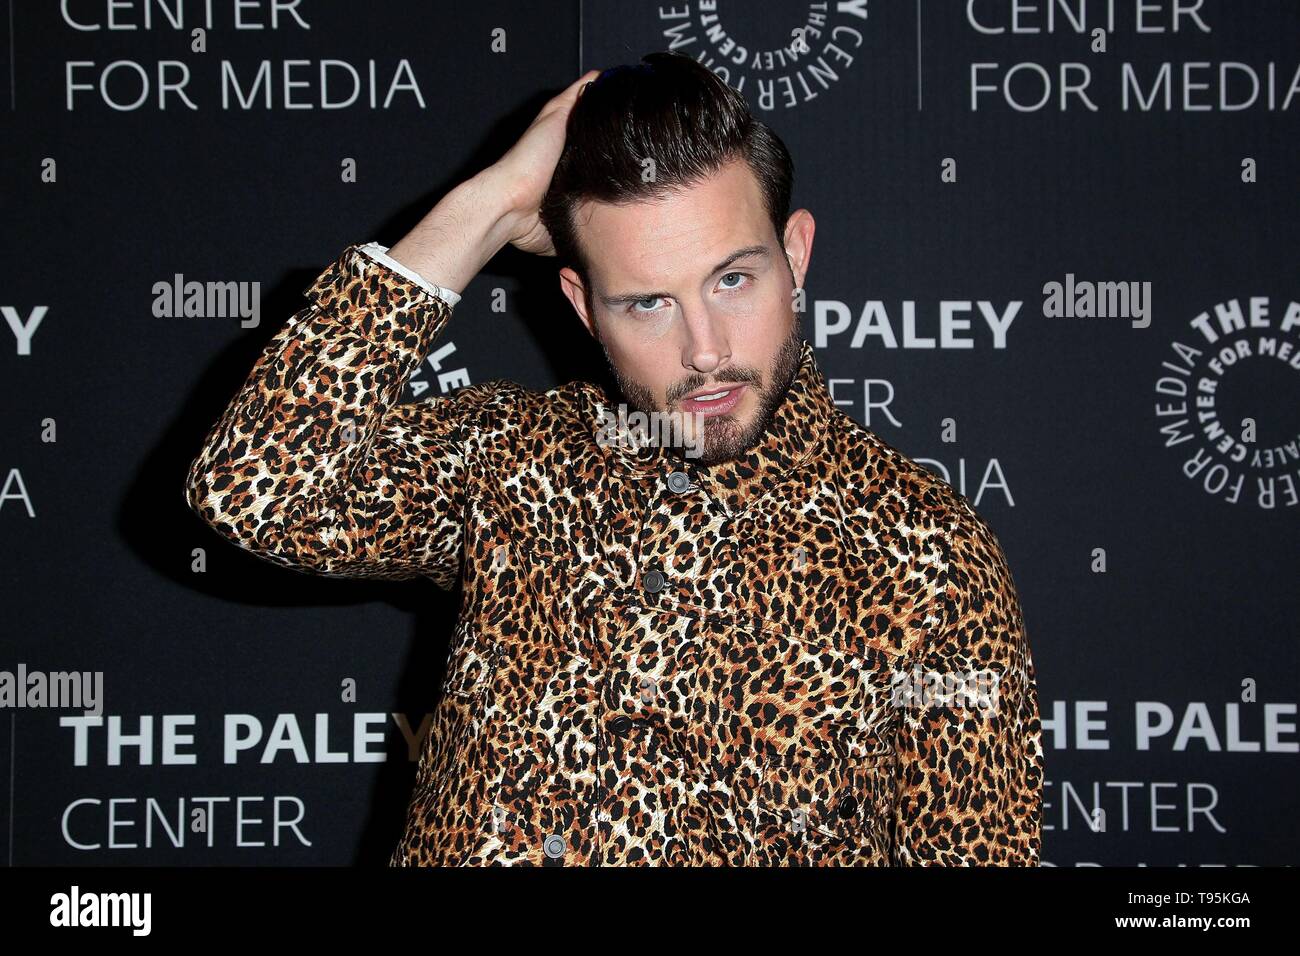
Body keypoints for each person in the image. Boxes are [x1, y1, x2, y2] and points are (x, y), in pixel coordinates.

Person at [185, 51, 1043, 866]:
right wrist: (482, 211)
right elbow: (256, 489)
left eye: (733, 280)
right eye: (646, 304)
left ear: (797, 255)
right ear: (584, 308)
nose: (705, 350)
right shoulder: (516, 458)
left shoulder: (928, 559)